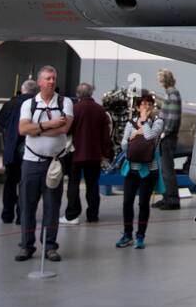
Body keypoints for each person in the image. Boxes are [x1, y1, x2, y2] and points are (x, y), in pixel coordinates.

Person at [16, 66, 72, 261]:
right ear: (39, 82)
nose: (51, 82)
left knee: (52, 206)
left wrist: (36, 129)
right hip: (31, 163)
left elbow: (63, 129)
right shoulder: (29, 104)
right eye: (48, 79)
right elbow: (22, 129)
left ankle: (50, 246)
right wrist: (48, 124)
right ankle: (26, 245)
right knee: (27, 206)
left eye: (54, 78)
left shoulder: (65, 103)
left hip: (53, 165)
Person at [117, 91, 163, 250]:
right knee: (127, 202)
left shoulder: (157, 122)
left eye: (149, 104)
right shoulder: (130, 123)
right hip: (132, 169)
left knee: (143, 203)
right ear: (137, 107)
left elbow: (150, 136)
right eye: (143, 104)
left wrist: (143, 123)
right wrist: (134, 134)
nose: (147, 107)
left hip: (149, 171)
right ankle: (127, 234)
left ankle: (140, 236)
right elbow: (124, 145)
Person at [64, 83, 111, 225]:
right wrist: (105, 153)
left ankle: (72, 215)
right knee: (92, 185)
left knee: (73, 183)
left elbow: (67, 130)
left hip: (76, 153)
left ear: (77, 94)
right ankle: (93, 215)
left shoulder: (74, 109)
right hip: (94, 155)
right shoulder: (100, 110)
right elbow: (105, 135)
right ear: (91, 93)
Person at [0, 79, 37, 224]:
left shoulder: (10, 103)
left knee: (10, 183)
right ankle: (22, 216)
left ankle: (7, 215)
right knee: (25, 185)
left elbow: (0, 121)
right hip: (30, 151)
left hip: (11, 150)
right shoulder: (37, 104)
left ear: (22, 89)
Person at [152, 69, 182, 210]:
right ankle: (166, 197)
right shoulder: (169, 94)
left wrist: (165, 132)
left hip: (168, 137)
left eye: (160, 79)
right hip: (165, 136)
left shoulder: (173, 94)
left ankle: (173, 200)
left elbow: (173, 117)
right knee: (164, 169)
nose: (159, 82)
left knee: (168, 169)